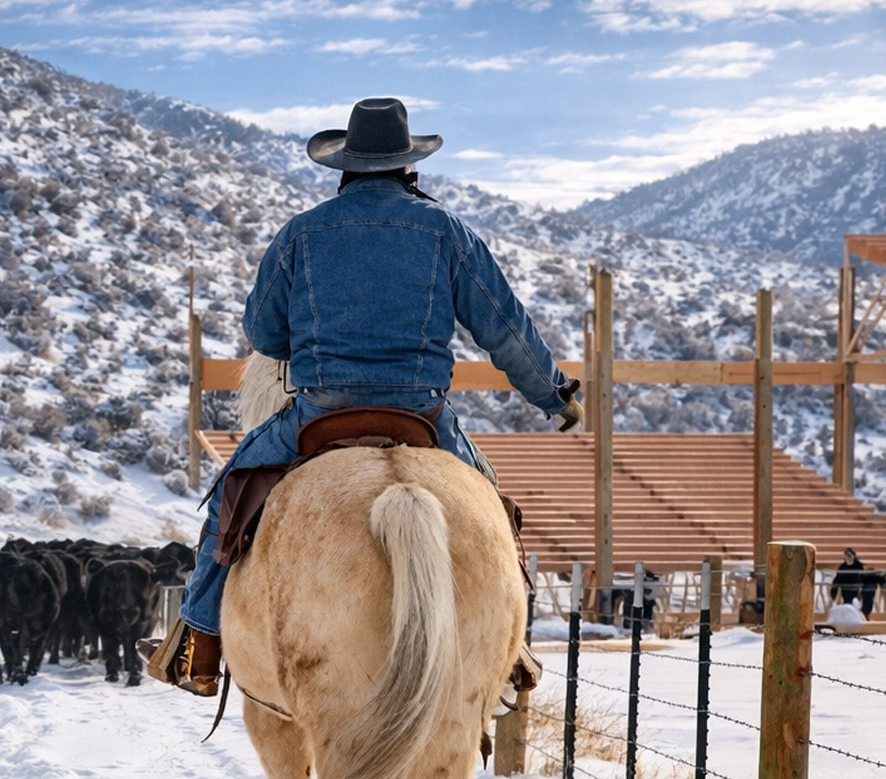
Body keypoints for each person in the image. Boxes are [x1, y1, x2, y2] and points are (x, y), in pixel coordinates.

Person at [144, 97, 583, 696]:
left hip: (319, 411)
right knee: (494, 512)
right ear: (410, 169)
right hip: (422, 414)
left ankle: (196, 646)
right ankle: (511, 648)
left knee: (231, 498)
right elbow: (506, 330)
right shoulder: (446, 230)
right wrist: (555, 397)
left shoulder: (301, 232)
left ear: (343, 168)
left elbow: (263, 334)